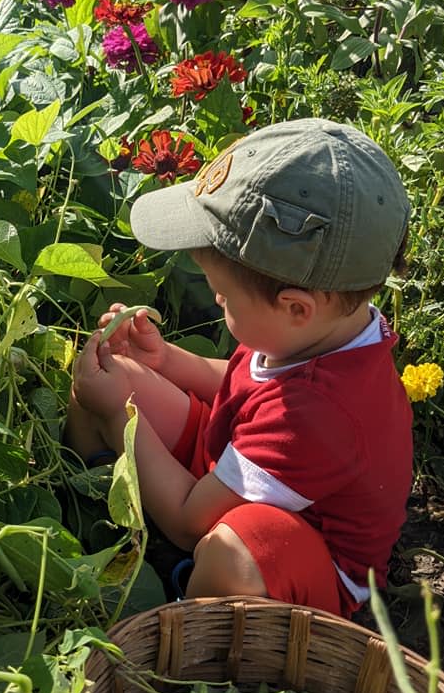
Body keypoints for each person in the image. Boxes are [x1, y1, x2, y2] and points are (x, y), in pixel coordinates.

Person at [66, 118, 413, 618]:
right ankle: (89, 505)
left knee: (235, 552)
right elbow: (244, 381)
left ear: (296, 307)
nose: (216, 297)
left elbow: (189, 520)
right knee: (115, 373)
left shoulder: (320, 414)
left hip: (303, 566)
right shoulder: (323, 333)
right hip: (232, 470)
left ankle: (194, 619)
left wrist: (122, 420)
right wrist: (165, 360)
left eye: (223, 294)